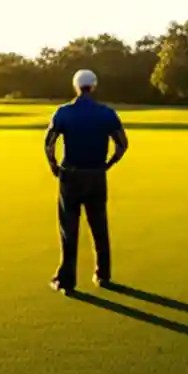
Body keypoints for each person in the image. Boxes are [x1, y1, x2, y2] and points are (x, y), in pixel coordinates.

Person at [44, 69, 128, 294]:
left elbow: (49, 143)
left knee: (68, 229)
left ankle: (67, 282)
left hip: (70, 176)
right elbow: (122, 144)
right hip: (96, 175)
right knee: (99, 226)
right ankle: (103, 275)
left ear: (75, 86)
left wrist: (54, 166)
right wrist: (109, 164)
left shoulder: (63, 112)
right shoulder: (106, 113)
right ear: (94, 86)